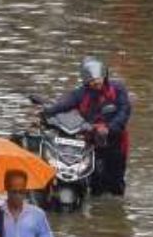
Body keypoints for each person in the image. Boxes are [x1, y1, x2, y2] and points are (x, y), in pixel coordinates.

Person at [42, 57, 131, 196]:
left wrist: (109, 128)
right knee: (94, 181)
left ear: (104, 75)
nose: (96, 83)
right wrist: (46, 111)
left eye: (98, 79)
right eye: (92, 81)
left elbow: (124, 112)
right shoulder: (80, 94)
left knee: (116, 181)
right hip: (92, 140)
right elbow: (63, 104)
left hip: (116, 141)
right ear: (86, 81)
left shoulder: (118, 89)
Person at [0, 170, 56, 237]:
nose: (18, 196)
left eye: (21, 192)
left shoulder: (37, 214)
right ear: (6, 189)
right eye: (14, 192)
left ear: (26, 190)